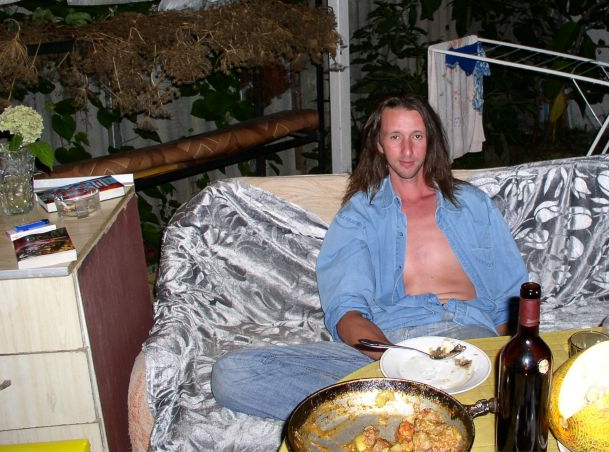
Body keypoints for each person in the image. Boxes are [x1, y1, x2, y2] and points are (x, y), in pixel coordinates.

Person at [211, 93, 526, 419]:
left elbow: (513, 298)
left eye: (417, 136)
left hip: (466, 343)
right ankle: (413, 406)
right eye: (395, 137)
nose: (407, 150)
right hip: (386, 350)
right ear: (379, 143)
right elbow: (347, 313)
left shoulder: (472, 204)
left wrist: (502, 357)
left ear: (430, 141)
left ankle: (392, 410)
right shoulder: (359, 215)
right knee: (232, 374)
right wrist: (395, 361)